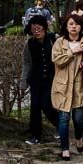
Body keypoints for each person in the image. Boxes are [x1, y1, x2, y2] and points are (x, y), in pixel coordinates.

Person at [51, 13, 83, 160]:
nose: (74, 27)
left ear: (81, 26)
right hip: (62, 86)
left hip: (79, 86)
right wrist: (72, 52)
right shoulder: (59, 42)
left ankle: (79, 137)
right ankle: (65, 149)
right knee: (63, 119)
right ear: (66, 26)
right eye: (70, 24)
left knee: (78, 118)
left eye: (76, 24)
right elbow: (57, 60)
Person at [20, 15, 58, 145]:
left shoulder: (54, 39)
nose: (36, 31)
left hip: (51, 79)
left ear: (45, 28)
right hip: (36, 79)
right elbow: (26, 63)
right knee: (35, 106)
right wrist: (23, 82)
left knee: (47, 105)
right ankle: (35, 135)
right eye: (33, 29)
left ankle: (60, 125)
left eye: (39, 28)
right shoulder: (29, 44)